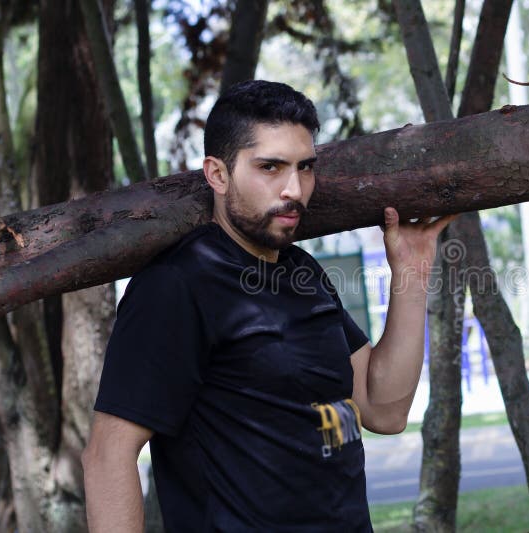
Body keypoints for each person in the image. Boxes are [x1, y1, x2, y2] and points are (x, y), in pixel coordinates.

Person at [82, 80, 454, 532]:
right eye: (270, 167)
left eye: (305, 167)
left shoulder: (302, 271)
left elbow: (384, 409)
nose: (294, 189)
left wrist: (411, 273)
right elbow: (109, 453)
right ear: (217, 174)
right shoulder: (177, 285)